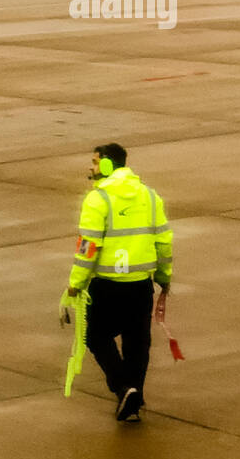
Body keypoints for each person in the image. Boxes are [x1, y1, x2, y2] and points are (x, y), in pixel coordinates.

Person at [64, 143, 172, 422]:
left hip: (107, 285)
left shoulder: (98, 199)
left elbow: (88, 248)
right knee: (137, 344)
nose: (91, 167)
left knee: (96, 336)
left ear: (110, 165)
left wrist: (75, 283)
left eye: (96, 162)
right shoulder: (150, 196)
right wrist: (164, 277)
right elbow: (163, 242)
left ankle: (124, 388)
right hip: (140, 285)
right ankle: (132, 402)